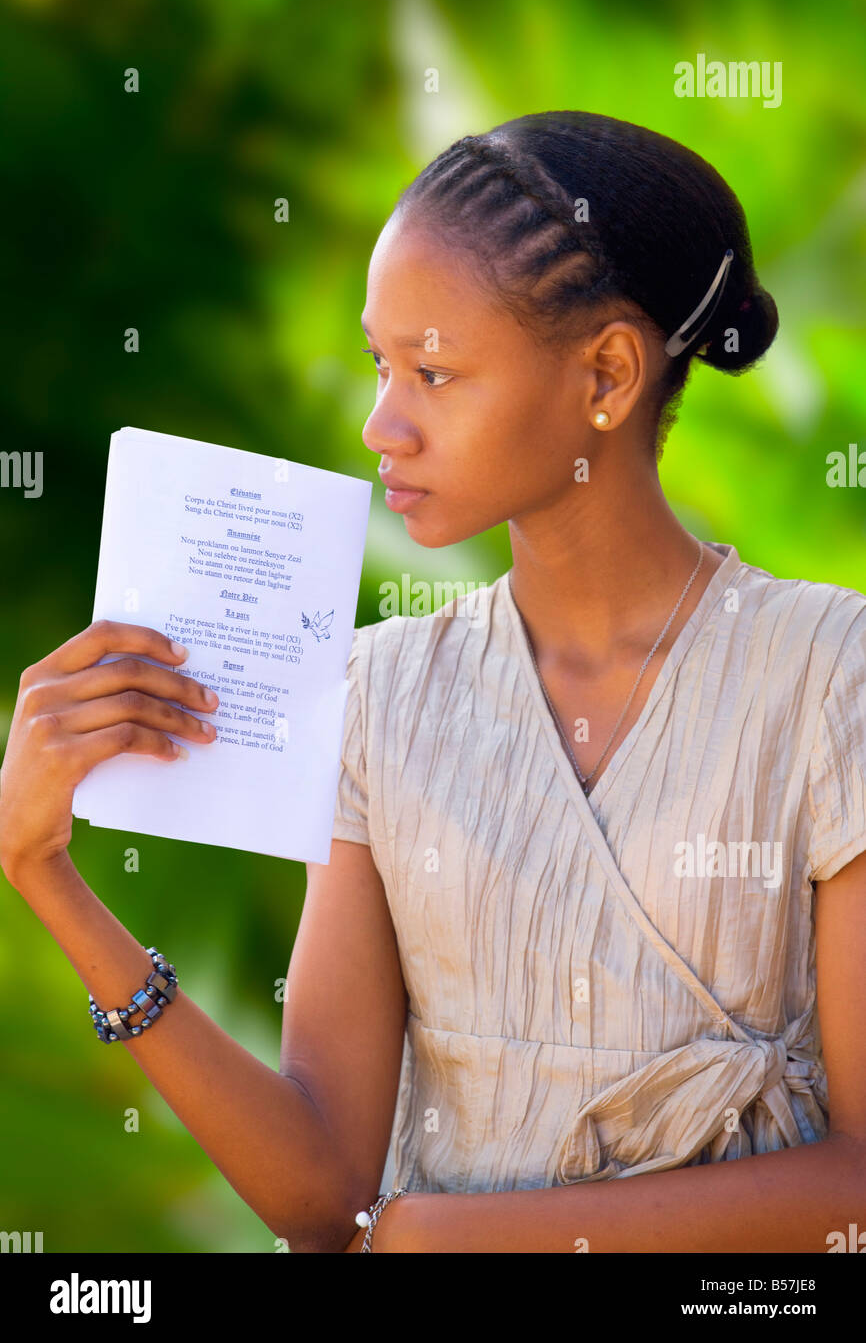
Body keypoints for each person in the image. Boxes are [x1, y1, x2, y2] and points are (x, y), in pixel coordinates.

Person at [2, 110, 864, 1253]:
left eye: (434, 371)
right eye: (378, 362)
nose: (379, 424)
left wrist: (448, 1239)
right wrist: (44, 872)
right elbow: (319, 1193)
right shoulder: (379, 695)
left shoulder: (824, 675)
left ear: (605, 373)